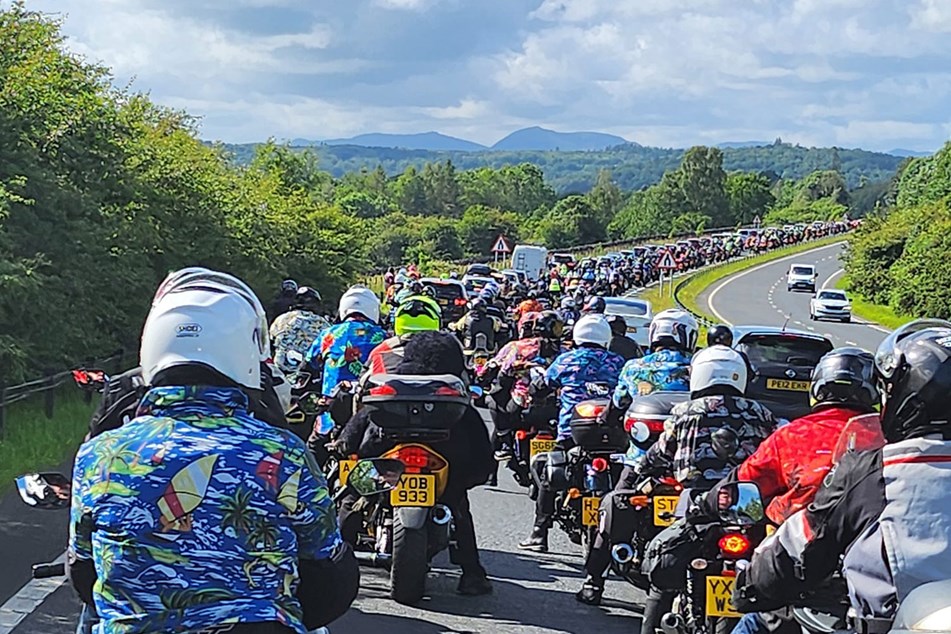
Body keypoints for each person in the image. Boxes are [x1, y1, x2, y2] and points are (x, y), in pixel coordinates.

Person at [67, 282, 358, 634]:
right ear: (245, 354)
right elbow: (328, 569)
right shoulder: (284, 452)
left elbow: (83, 569)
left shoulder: (100, 453)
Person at [732, 321, 951, 632]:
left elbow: (802, 542)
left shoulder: (875, 469)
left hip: (884, 621)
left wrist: (751, 586)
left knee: (754, 623)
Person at [705, 347, 879, 634]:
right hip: (871, 575)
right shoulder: (889, 439)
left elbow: (744, 484)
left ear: (819, 388)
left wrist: (708, 503)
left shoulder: (792, 435)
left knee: (754, 621)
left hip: (796, 566)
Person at [334, 331, 495, 596]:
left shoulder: (390, 381)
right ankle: (472, 573)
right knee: (458, 507)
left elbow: (362, 420)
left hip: (384, 456)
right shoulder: (452, 389)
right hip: (446, 458)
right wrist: (477, 473)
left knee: (354, 498)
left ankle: (332, 560)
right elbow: (479, 443)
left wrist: (345, 445)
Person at [637, 345, 776, 634]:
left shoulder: (685, 410)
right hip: (747, 503)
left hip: (697, 500)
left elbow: (662, 451)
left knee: (663, 579)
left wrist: (643, 469)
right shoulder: (762, 413)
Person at [518, 314, 627, 552]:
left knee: (548, 473)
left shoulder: (566, 360)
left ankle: (539, 532)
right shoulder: (619, 362)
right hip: (614, 434)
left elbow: (542, 385)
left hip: (572, 433)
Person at [481, 311, 563, 474]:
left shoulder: (519, 347)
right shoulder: (567, 351)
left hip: (526, 404)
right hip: (556, 406)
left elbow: (504, 373)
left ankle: (504, 446)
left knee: (494, 400)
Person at [305, 285, 386, 440]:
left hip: (331, 409)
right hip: (368, 409)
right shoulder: (382, 336)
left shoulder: (328, 334)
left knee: (313, 449)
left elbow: (311, 363)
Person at [269, 286, 331, 375]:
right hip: (309, 374)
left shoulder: (280, 319)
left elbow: (270, 343)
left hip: (280, 372)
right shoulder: (322, 323)